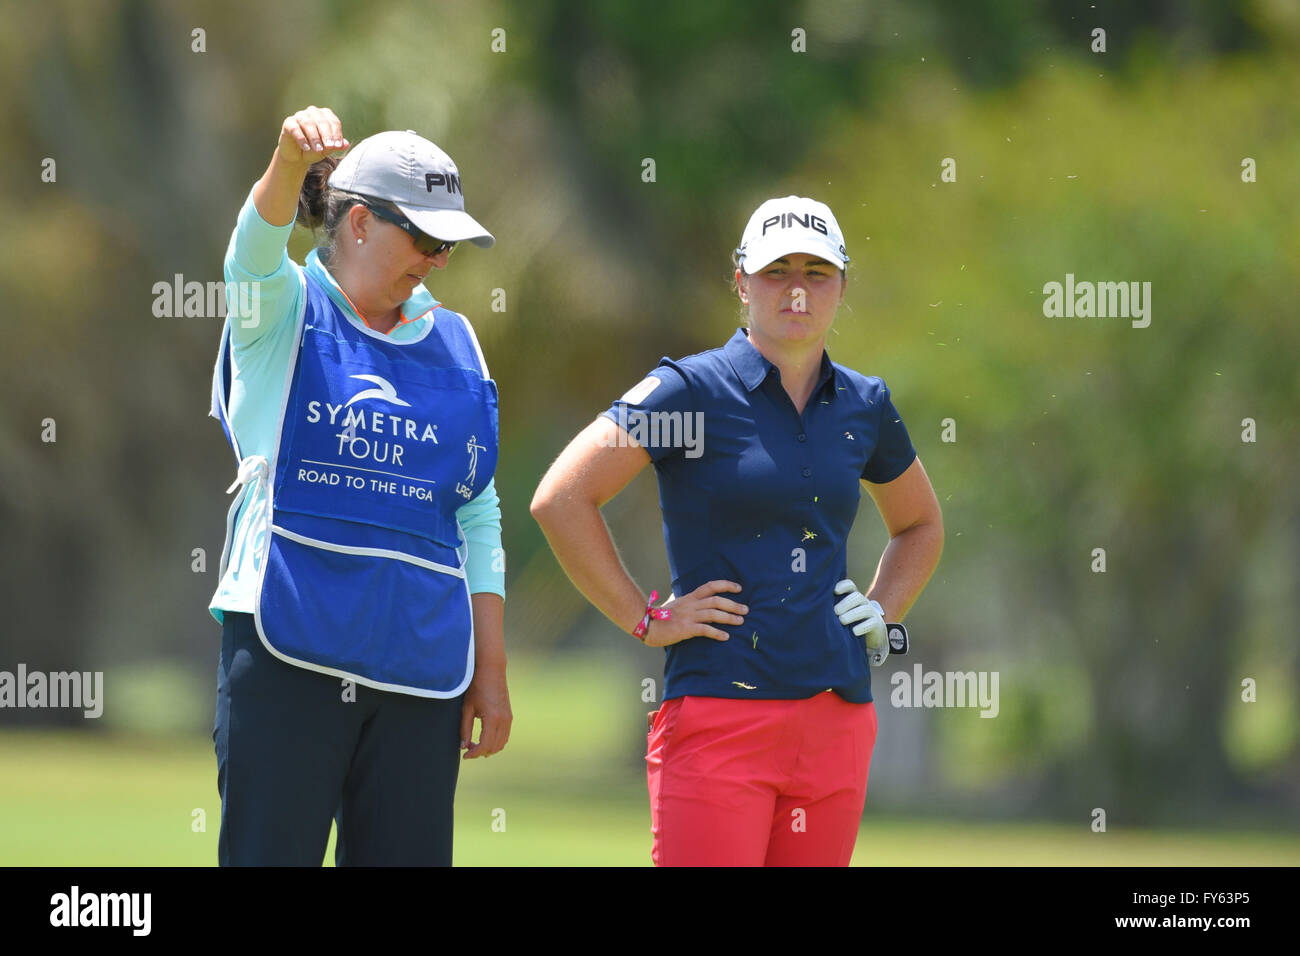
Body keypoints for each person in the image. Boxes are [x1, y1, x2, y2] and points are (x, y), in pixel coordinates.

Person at [530, 196, 943, 866]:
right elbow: (562, 498)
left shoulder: (865, 405)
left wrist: (883, 614)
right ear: (742, 280)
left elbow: (920, 524)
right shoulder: (690, 392)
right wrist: (643, 618)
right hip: (721, 710)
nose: (798, 290)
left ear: (842, 285)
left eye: (818, 272)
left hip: (837, 714)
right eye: (778, 271)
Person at [207, 106, 511, 866]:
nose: (439, 259)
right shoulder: (280, 310)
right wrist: (285, 161)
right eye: (426, 237)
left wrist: (492, 671)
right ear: (360, 224)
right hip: (288, 656)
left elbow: (475, 511)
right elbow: (250, 257)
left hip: (419, 673)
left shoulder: (459, 343)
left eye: (449, 243)